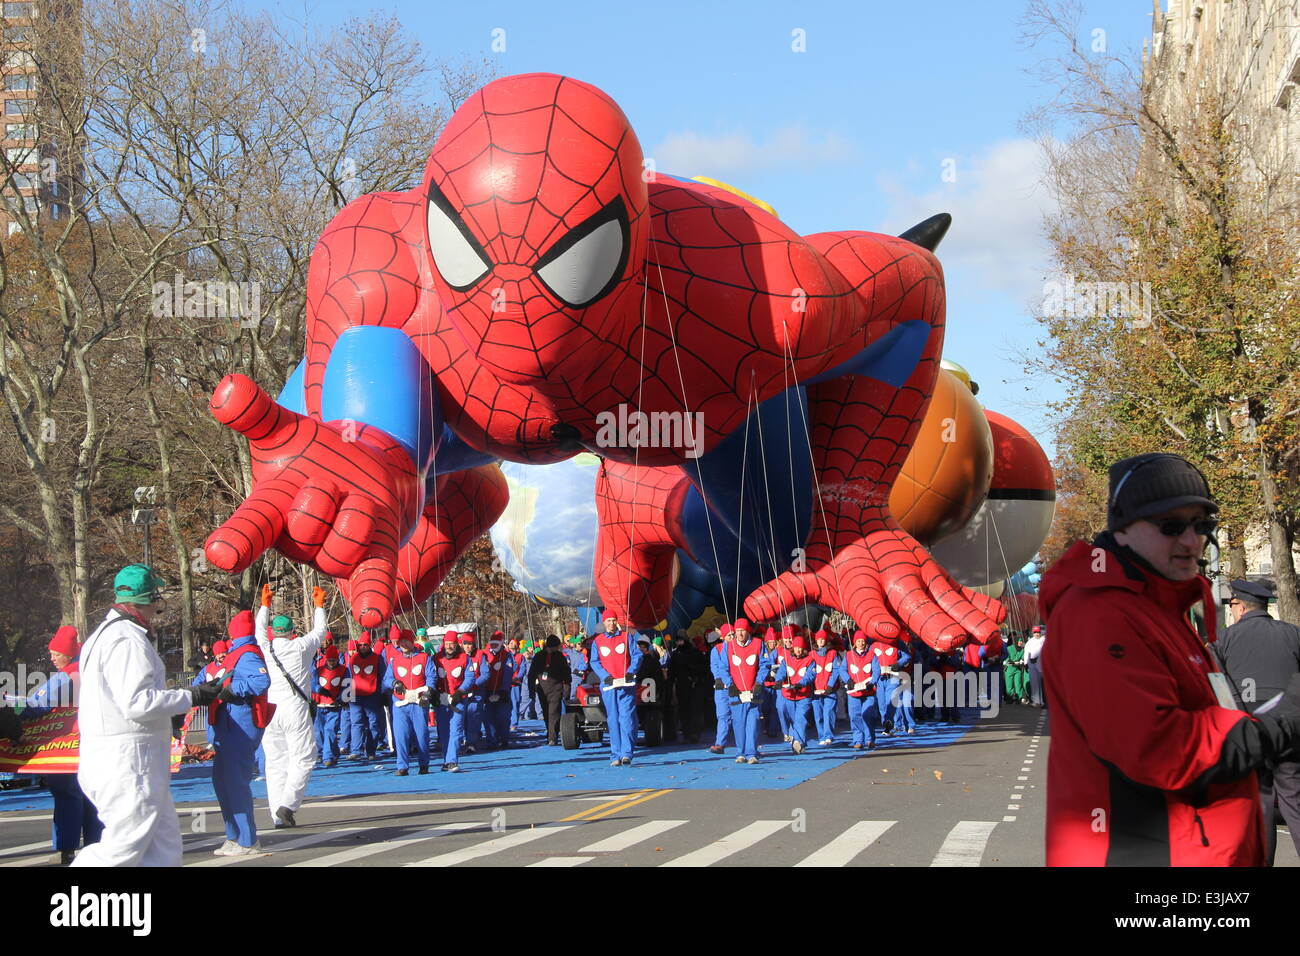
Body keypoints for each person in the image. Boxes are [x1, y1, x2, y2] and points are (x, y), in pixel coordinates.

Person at [1041, 451, 1300, 866]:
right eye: (1171, 525)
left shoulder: (1158, 606)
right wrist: (1279, 727)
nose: (1191, 539)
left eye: (1201, 525)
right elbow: (1160, 748)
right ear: (1121, 528)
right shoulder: (1099, 612)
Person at [73, 564, 225, 867]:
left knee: (161, 844)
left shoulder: (106, 635)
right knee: (123, 847)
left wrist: (167, 713)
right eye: (156, 598)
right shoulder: (127, 639)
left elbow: (124, 701)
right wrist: (191, 696)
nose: (159, 604)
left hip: (123, 756)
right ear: (147, 599)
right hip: (128, 760)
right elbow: (137, 703)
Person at [1215, 578, 1300, 864]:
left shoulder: (1222, 641)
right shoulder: (1293, 634)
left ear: (1238, 606)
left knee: (1261, 802)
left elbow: (1218, 686)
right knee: (1295, 800)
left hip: (1249, 730)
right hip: (1290, 728)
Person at [21, 626, 103, 864]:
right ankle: (94, 846)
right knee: (89, 796)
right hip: (90, 745)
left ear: (68, 654)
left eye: (56, 653)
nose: (52, 658)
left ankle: (67, 849)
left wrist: (14, 712)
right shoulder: (88, 671)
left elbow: (37, 706)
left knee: (66, 794)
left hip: (64, 749)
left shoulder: (66, 677)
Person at [196, 609, 273, 855]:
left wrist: (234, 690)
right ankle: (234, 836)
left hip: (240, 726)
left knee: (235, 783)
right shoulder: (237, 653)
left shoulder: (247, 653)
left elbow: (262, 681)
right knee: (222, 782)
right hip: (228, 726)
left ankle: (248, 840)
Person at [256, 583, 328, 828]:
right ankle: (288, 804)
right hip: (294, 707)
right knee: (305, 757)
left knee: (275, 763)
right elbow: (320, 631)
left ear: (273, 632)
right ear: (292, 631)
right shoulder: (300, 648)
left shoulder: (265, 648)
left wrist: (264, 605)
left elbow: (258, 631)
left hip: (270, 709)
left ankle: (277, 815)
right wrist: (319, 606)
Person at [589, 613, 642, 766]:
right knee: (612, 719)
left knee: (627, 719)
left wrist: (631, 672)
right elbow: (594, 661)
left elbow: (637, 655)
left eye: (613, 620)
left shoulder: (626, 637)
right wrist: (604, 676)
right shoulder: (598, 641)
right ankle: (615, 755)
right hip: (609, 686)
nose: (611, 623)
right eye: (608, 621)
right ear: (604, 622)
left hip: (625, 685)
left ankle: (627, 753)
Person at [382, 628, 433, 775]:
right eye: (400, 641)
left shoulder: (424, 658)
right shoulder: (395, 661)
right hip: (400, 704)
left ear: (411, 641)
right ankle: (402, 766)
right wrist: (394, 683)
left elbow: (431, 677)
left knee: (421, 734)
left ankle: (424, 764)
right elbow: (386, 679)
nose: (402, 644)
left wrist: (427, 693)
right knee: (400, 735)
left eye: (405, 640)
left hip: (418, 702)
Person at [720, 619, 763, 764]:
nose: (740, 633)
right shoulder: (728, 647)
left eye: (742, 630)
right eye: (737, 631)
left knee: (753, 722)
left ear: (748, 631)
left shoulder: (757, 644)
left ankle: (751, 753)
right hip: (736, 693)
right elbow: (723, 668)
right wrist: (729, 684)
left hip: (753, 692)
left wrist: (759, 682)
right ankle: (741, 752)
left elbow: (764, 665)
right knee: (738, 723)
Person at [433, 631, 475, 771]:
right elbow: (431, 676)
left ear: (457, 644)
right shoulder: (436, 658)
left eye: (452, 643)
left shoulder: (464, 658)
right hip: (442, 697)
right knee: (444, 730)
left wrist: (460, 691)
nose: (449, 646)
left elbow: (470, 677)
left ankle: (452, 760)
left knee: (456, 729)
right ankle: (446, 760)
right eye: (447, 644)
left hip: (458, 698)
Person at [347, 632, 387, 761]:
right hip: (356, 695)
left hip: (372, 695)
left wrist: (383, 695)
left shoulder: (377, 658)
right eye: (361, 645)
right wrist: (346, 695)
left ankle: (371, 750)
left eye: (365, 645)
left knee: (373, 723)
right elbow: (349, 676)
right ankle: (356, 750)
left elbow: (383, 676)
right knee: (356, 723)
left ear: (370, 645)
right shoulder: (353, 658)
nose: (363, 647)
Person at [774, 631, 816, 753]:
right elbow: (781, 672)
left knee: (800, 718)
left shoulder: (810, 660)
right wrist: (779, 680)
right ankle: (799, 742)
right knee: (793, 719)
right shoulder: (787, 660)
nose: (798, 650)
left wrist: (800, 684)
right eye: (796, 648)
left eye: (800, 648)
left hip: (803, 695)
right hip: (788, 695)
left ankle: (798, 741)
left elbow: (810, 676)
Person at [840, 630, 881, 749]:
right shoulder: (848, 655)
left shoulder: (872, 654)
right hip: (854, 692)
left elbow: (876, 670)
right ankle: (858, 740)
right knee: (854, 716)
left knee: (868, 715)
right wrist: (848, 680)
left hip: (868, 691)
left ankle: (870, 739)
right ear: (854, 642)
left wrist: (872, 682)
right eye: (858, 641)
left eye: (863, 641)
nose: (861, 643)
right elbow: (842, 670)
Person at [528, 635, 572, 745]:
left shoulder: (560, 657)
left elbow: (566, 673)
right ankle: (550, 732)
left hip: (556, 688)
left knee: (554, 712)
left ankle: (553, 737)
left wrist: (566, 689)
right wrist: (531, 690)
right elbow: (532, 674)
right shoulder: (538, 656)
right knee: (546, 712)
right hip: (542, 688)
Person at [475, 630, 514, 749]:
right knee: (488, 718)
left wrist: (502, 691)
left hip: (502, 692)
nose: (493, 646)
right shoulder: (484, 655)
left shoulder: (507, 656)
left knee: (503, 717)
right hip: (487, 692)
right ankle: (491, 741)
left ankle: (504, 739)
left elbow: (508, 674)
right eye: (492, 643)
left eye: (496, 643)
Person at [313, 641, 347, 767]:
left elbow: (347, 686)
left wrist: (342, 699)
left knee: (330, 730)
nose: (332, 662)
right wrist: (318, 689)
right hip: (321, 705)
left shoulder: (344, 670)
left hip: (334, 706)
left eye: (334, 660)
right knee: (319, 731)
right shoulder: (319, 670)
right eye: (329, 660)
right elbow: (313, 684)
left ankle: (327, 756)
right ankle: (332, 752)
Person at [810, 628, 842, 746]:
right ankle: (821, 735)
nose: (821, 642)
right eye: (819, 639)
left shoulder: (833, 653)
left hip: (829, 690)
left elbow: (836, 670)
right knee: (818, 714)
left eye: (823, 639)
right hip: (816, 690)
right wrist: (811, 686)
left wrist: (830, 685)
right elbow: (809, 671)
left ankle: (828, 735)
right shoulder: (812, 654)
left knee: (828, 712)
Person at [707, 625, 733, 754]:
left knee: (740, 717)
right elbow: (715, 667)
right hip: (722, 688)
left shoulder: (740, 649)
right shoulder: (717, 649)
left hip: (738, 687)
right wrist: (719, 679)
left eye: (733, 634)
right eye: (729, 635)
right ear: (723, 637)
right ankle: (720, 743)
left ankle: (745, 746)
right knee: (723, 715)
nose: (731, 637)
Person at [1023, 626, 1046, 708]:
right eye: (1035, 632)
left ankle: (1044, 702)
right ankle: (1036, 701)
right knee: (1034, 683)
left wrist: (1036, 658)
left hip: (1042, 665)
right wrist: (1025, 663)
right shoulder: (1029, 642)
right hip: (1032, 665)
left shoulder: (1044, 640)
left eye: (1038, 632)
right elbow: (1026, 653)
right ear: (1033, 633)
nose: (1037, 634)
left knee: (1043, 684)